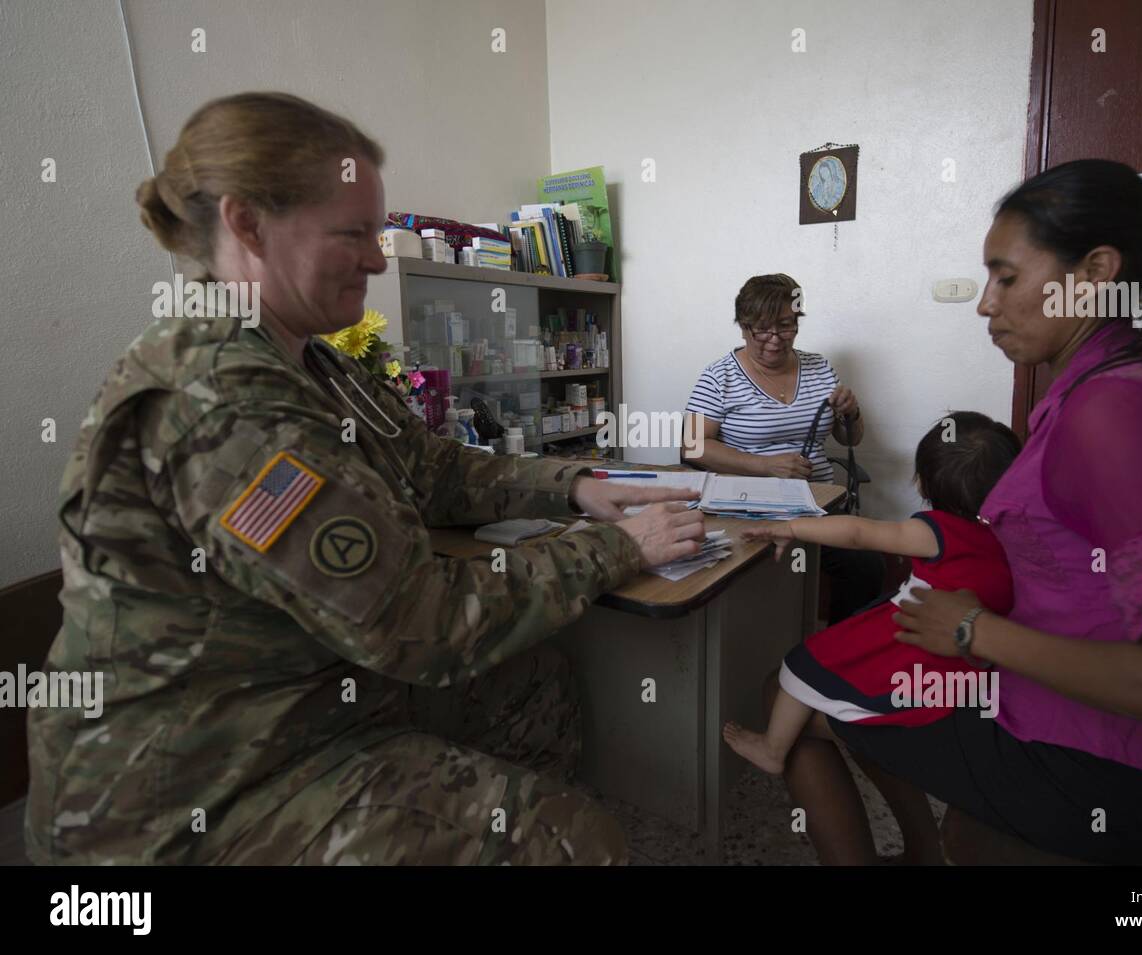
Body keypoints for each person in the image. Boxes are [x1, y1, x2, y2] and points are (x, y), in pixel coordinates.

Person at [25, 91, 706, 866]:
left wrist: (574, 485)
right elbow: (422, 622)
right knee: (574, 843)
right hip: (188, 792)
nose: (380, 260)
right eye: (352, 233)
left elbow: (431, 466)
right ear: (249, 224)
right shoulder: (219, 398)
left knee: (530, 679)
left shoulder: (310, 359)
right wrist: (618, 548)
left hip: (298, 697)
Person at [778, 159, 1142, 866]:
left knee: (798, 700)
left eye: (1006, 278)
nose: (986, 304)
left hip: (1100, 765)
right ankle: (921, 850)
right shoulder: (1126, 384)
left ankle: (918, 849)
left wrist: (974, 630)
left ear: (1095, 272)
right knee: (862, 678)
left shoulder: (1111, 414)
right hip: (1084, 726)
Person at [723, 412, 1018, 774]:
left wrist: (791, 528)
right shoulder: (1015, 538)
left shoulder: (937, 531)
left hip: (916, 652)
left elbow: (858, 533)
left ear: (922, 484)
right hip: (968, 674)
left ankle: (773, 749)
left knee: (806, 662)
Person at [683, 273, 884, 622]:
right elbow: (692, 447)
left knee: (866, 564)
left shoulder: (819, 367)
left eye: (786, 326)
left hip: (817, 506)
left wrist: (851, 412)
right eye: (762, 329)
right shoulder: (719, 377)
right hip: (749, 509)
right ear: (743, 327)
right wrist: (765, 466)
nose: (775, 339)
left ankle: (837, 645)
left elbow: (850, 439)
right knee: (760, 577)